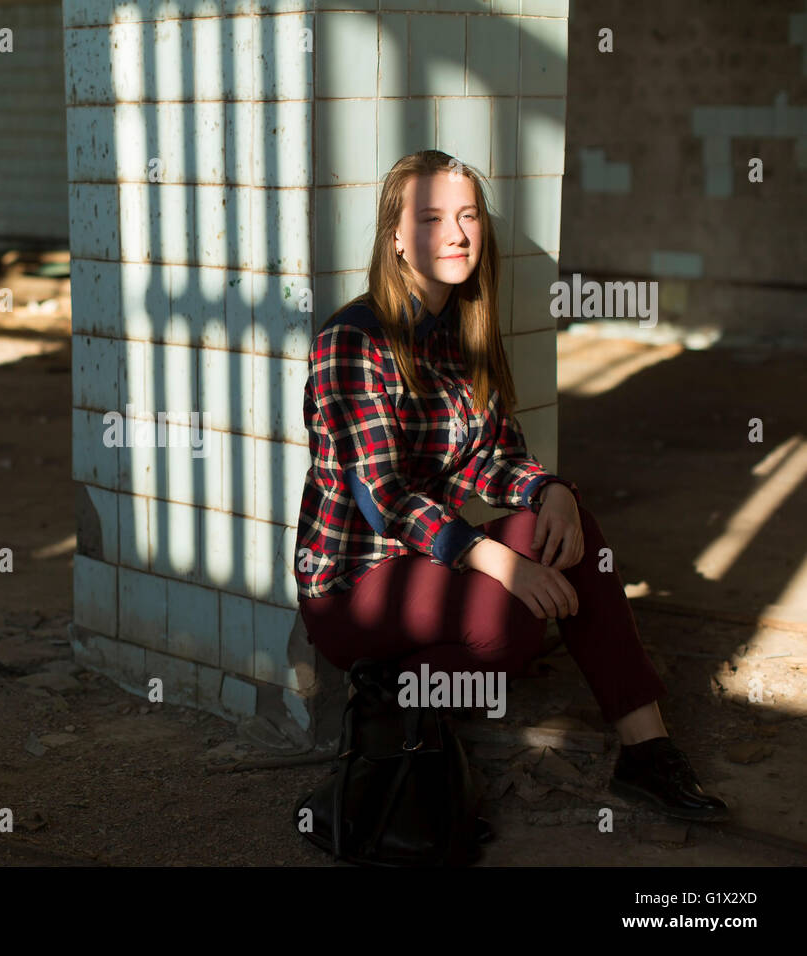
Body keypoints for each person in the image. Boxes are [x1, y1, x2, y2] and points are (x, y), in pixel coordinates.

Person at [294, 149, 727, 822]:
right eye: (433, 218)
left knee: (566, 526)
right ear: (397, 239)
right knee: (514, 619)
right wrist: (499, 562)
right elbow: (383, 501)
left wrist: (550, 490)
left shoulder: (463, 333)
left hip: (428, 562)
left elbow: (492, 458)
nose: (459, 234)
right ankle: (394, 691)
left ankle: (646, 752)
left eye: (468, 216)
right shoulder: (351, 342)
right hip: (357, 584)